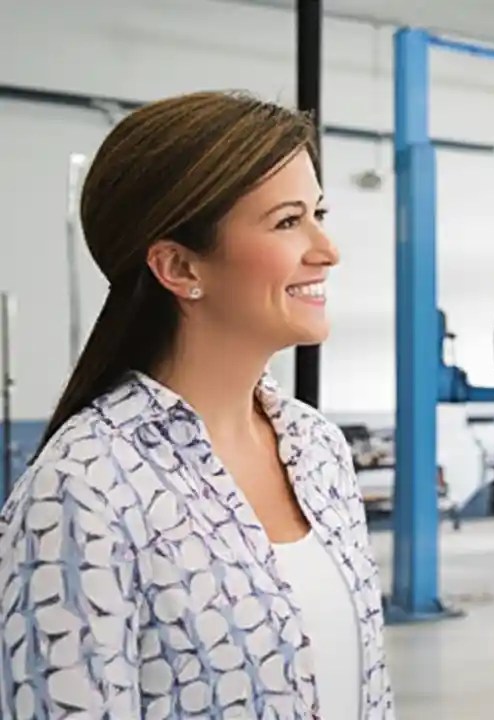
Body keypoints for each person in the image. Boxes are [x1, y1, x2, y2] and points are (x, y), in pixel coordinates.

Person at [0, 92, 395, 719]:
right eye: (288, 221)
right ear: (180, 266)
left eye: (319, 212)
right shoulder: (84, 489)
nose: (327, 249)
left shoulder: (317, 449)